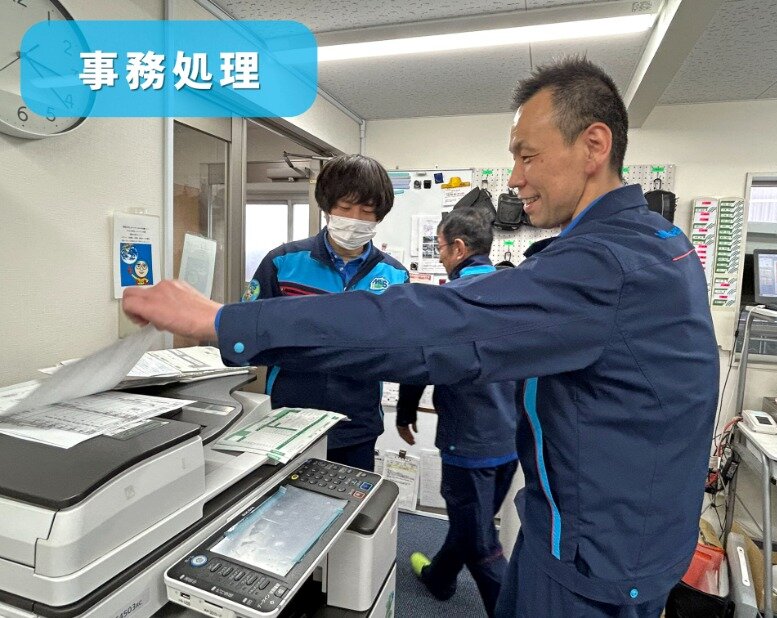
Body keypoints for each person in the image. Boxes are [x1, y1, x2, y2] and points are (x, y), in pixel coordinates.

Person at [123, 56, 719, 617]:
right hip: (602, 534)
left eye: (527, 155)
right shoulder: (656, 241)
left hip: (593, 557)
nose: (515, 178)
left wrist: (223, 321)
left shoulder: (605, 264)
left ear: (594, 144)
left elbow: (427, 326)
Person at [243, 154, 408, 471]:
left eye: (367, 211)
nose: (355, 219)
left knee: (351, 498)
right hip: (289, 418)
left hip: (357, 423)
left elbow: (400, 348)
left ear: (379, 215)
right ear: (327, 206)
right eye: (345, 207)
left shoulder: (394, 275)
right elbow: (250, 331)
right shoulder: (283, 262)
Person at [396, 208, 518, 616]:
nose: (441, 256)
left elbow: (420, 362)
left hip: (468, 444)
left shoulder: (448, 300)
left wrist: (405, 413)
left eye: (441, 248)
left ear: (459, 248)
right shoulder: (516, 293)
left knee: (482, 545)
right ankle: (439, 577)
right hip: (510, 439)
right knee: (473, 525)